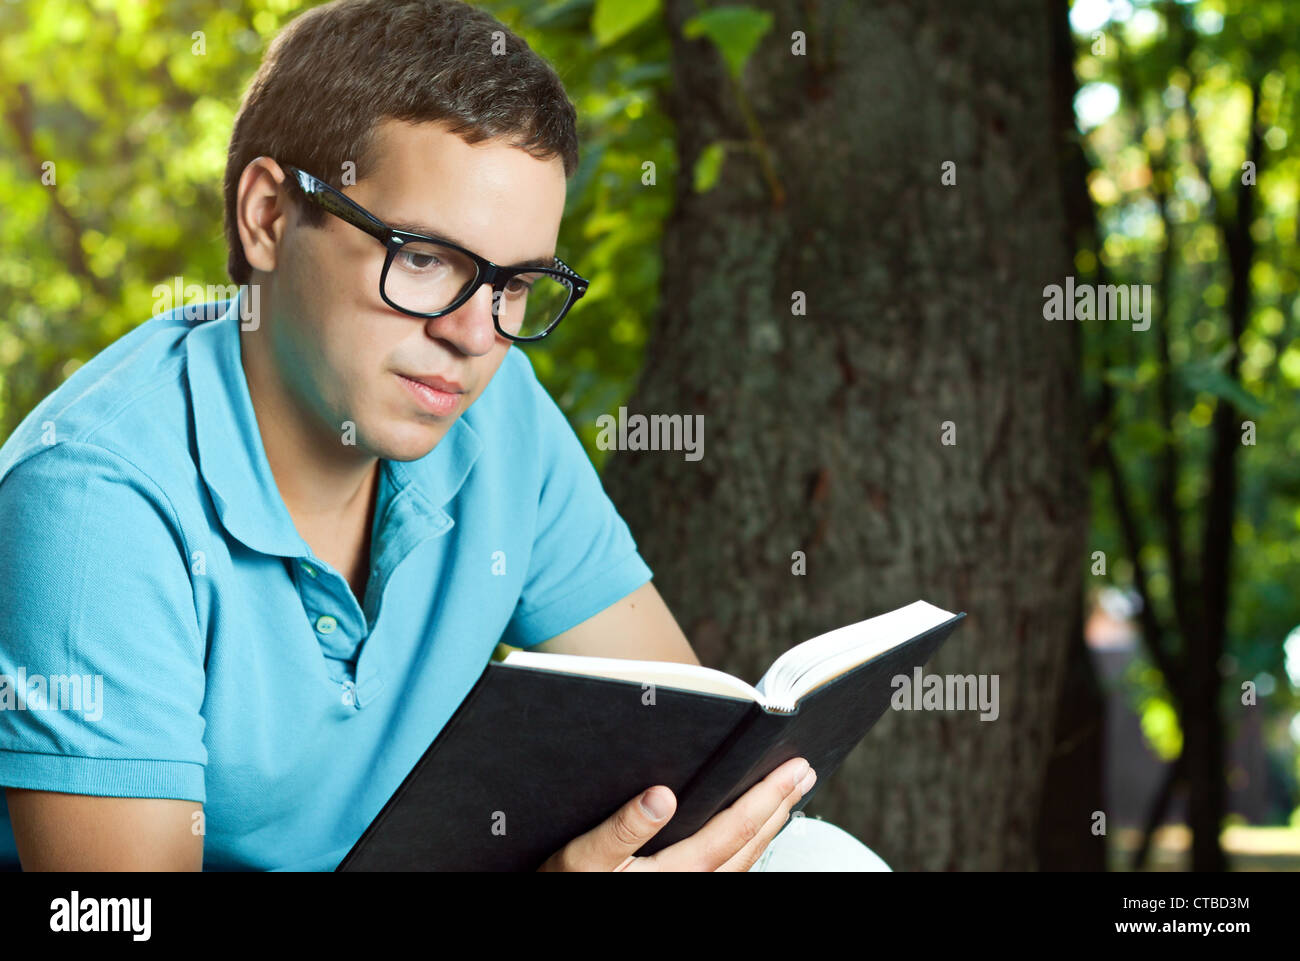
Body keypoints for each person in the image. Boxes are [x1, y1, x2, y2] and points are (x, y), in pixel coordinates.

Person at [0, 0, 886, 872]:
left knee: (812, 859)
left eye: (515, 283)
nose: (476, 336)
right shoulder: (91, 499)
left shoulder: (496, 415)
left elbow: (689, 754)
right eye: (424, 259)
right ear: (269, 216)